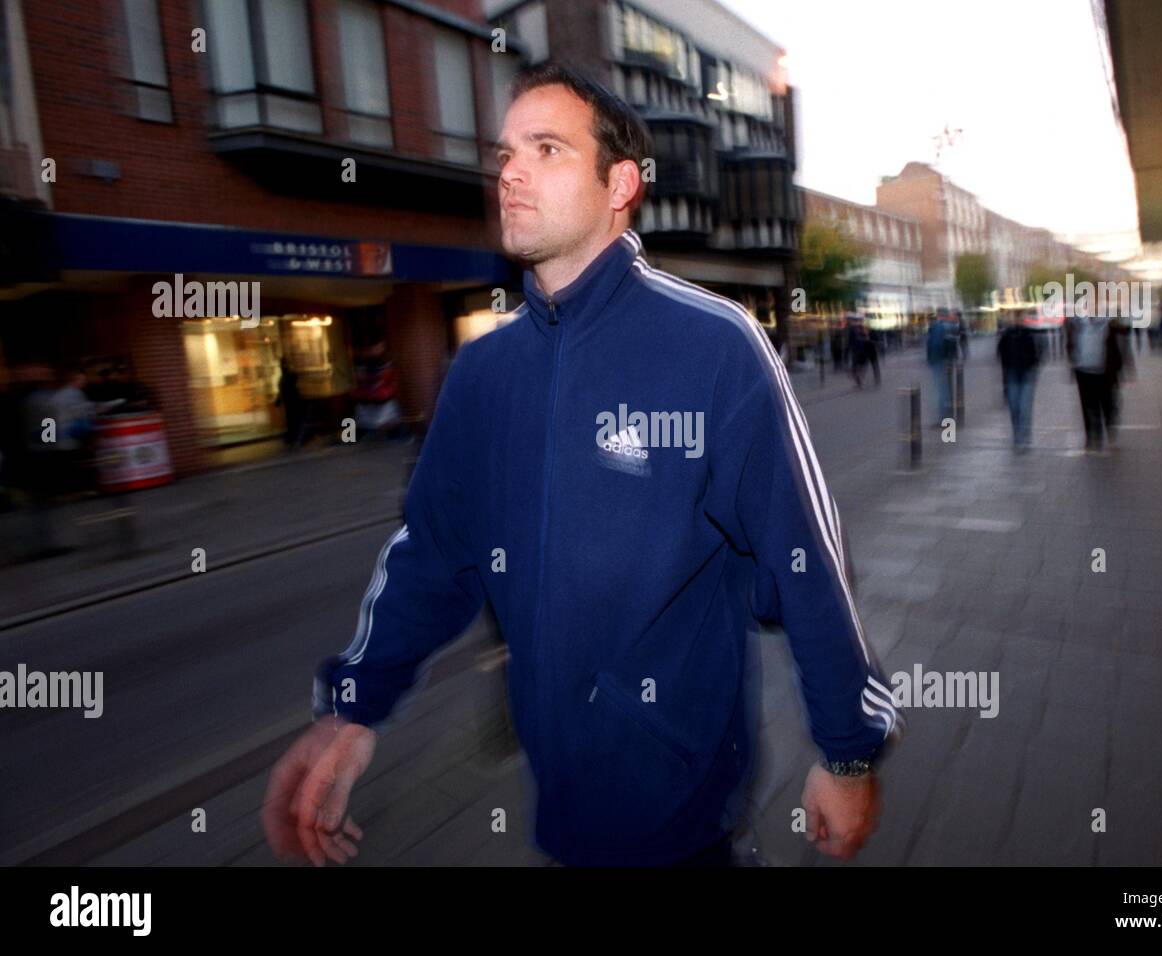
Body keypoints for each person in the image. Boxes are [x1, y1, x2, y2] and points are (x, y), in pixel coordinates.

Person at [262, 63, 903, 869]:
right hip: (559, 816)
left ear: (620, 184)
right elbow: (432, 555)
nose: (511, 172)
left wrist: (848, 751)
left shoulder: (713, 345)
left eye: (547, 148)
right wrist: (352, 710)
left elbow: (805, 557)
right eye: (505, 154)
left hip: (686, 818)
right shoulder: (482, 375)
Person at [1066, 302, 1121, 452]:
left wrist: (1119, 371)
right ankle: (1091, 436)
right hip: (1083, 371)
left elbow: (1117, 349)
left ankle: (1109, 424)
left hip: (1104, 372)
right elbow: (1070, 344)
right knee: (1087, 405)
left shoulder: (1108, 324)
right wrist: (1073, 361)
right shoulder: (1077, 324)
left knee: (1106, 403)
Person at [996, 312, 1040, 451]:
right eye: (1015, 317)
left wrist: (1032, 365)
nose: (1017, 320)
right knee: (1015, 407)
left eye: (1020, 317)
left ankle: (1024, 439)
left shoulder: (1029, 334)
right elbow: (1000, 353)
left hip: (1026, 374)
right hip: (1012, 374)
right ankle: (1017, 437)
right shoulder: (1007, 335)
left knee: (1024, 408)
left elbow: (1037, 352)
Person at [926, 307, 959, 426]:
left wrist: (931, 359)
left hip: (938, 361)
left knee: (941, 390)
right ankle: (948, 416)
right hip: (948, 361)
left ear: (939, 315)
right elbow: (954, 344)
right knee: (946, 389)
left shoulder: (937, 327)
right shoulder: (952, 326)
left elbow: (934, 344)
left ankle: (944, 419)